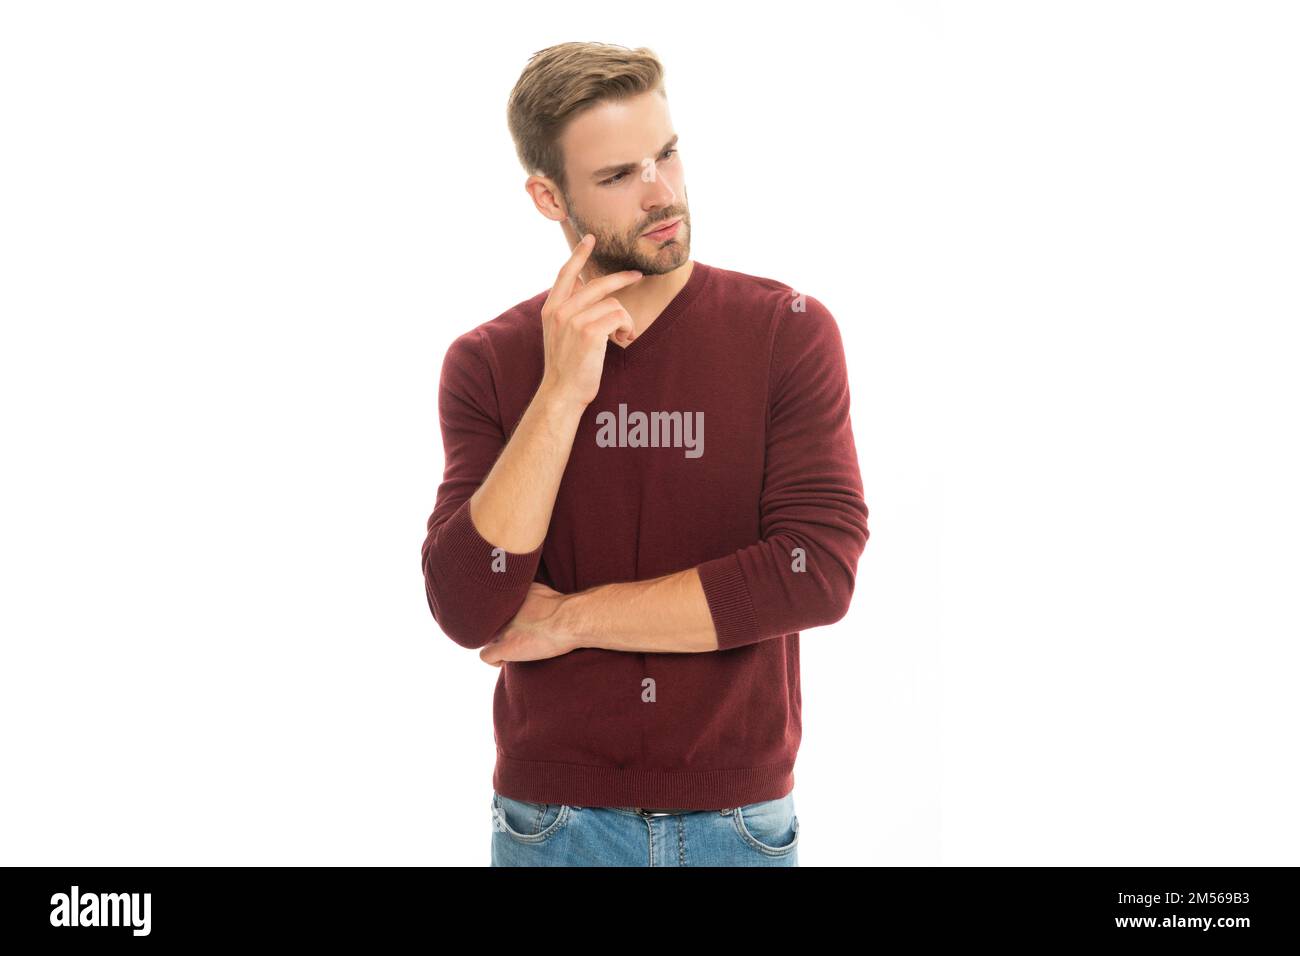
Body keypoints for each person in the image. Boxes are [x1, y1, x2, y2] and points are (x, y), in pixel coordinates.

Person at [421, 41, 869, 866]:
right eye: (619, 176)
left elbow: (816, 570)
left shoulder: (788, 332)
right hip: (551, 822)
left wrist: (570, 619)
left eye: (665, 154)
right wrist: (559, 395)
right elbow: (467, 605)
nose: (662, 193)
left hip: (740, 817)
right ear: (548, 196)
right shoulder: (489, 361)